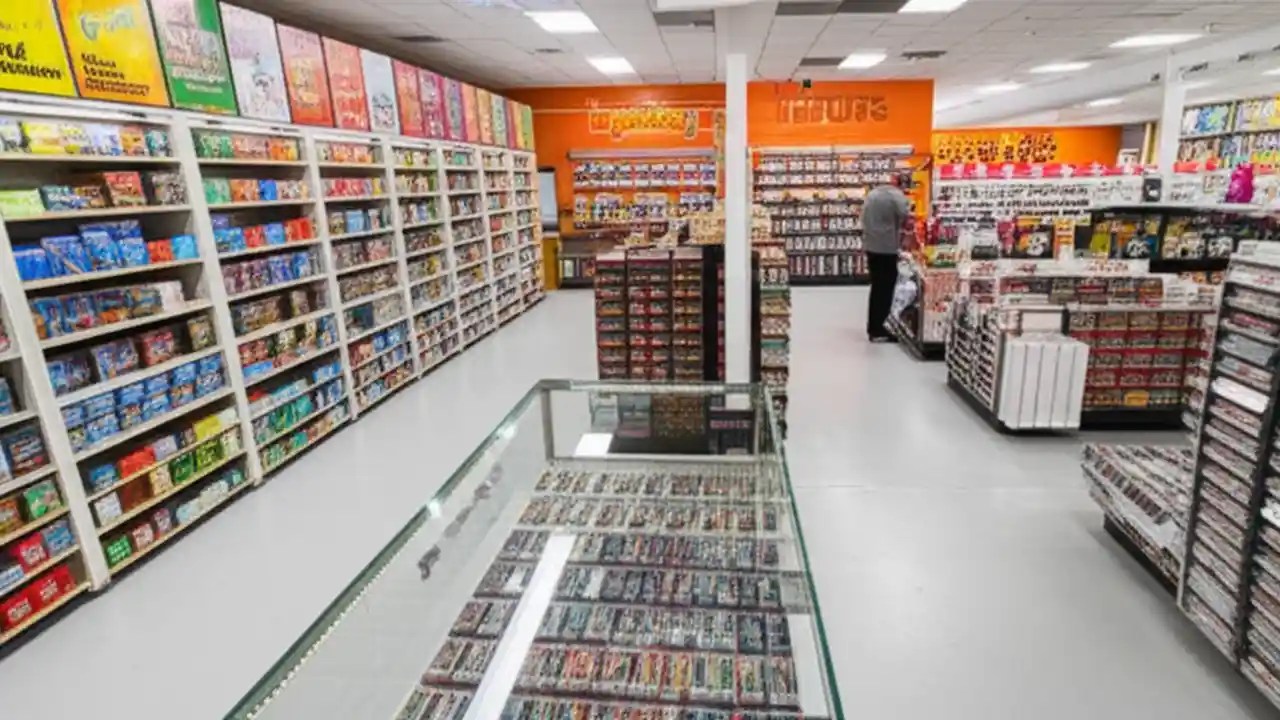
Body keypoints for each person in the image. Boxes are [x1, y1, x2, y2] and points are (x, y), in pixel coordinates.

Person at [861, 173, 910, 342]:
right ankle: (880, 327)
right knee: (886, 287)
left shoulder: (872, 195)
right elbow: (906, 216)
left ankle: (874, 325)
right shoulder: (897, 196)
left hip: (871, 246)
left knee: (876, 286)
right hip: (886, 247)